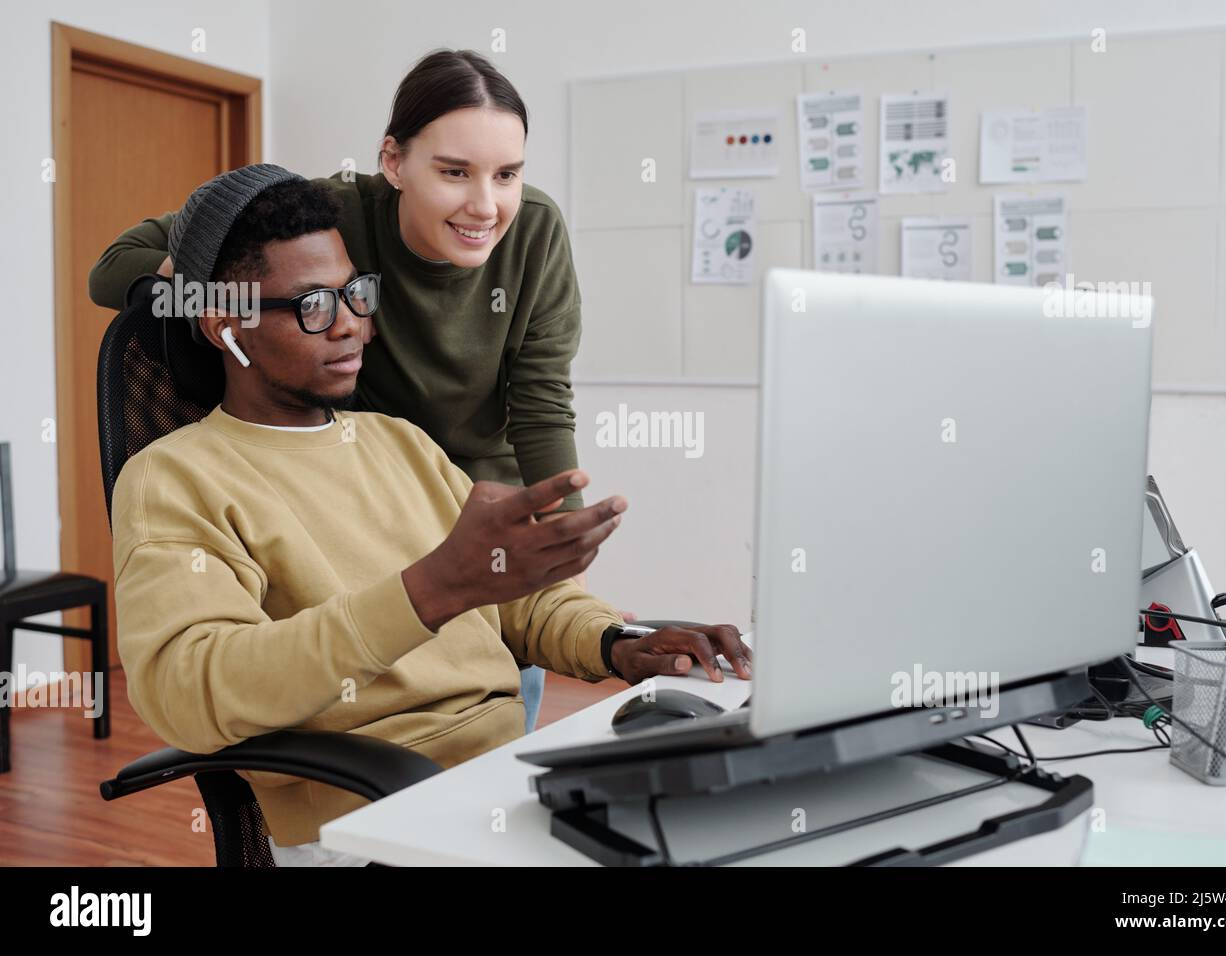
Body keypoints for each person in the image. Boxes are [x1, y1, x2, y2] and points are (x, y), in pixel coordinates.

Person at [111, 165, 752, 866]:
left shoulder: (398, 442)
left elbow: (519, 606)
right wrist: (430, 591)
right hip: (370, 818)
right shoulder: (173, 479)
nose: (355, 323)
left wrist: (616, 642)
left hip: (511, 775)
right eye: (315, 305)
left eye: (356, 293)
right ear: (225, 323)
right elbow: (192, 691)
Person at [89, 49, 599, 732]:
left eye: (507, 174)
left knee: (502, 707)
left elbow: (541, 403)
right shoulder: (325, 214)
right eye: (453, 172)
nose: (485, 203)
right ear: (393, 162)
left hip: (441, 486)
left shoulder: (529, 235)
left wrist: (591, 602)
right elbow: (200, 686)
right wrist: (212, 294)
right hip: (349, 506)